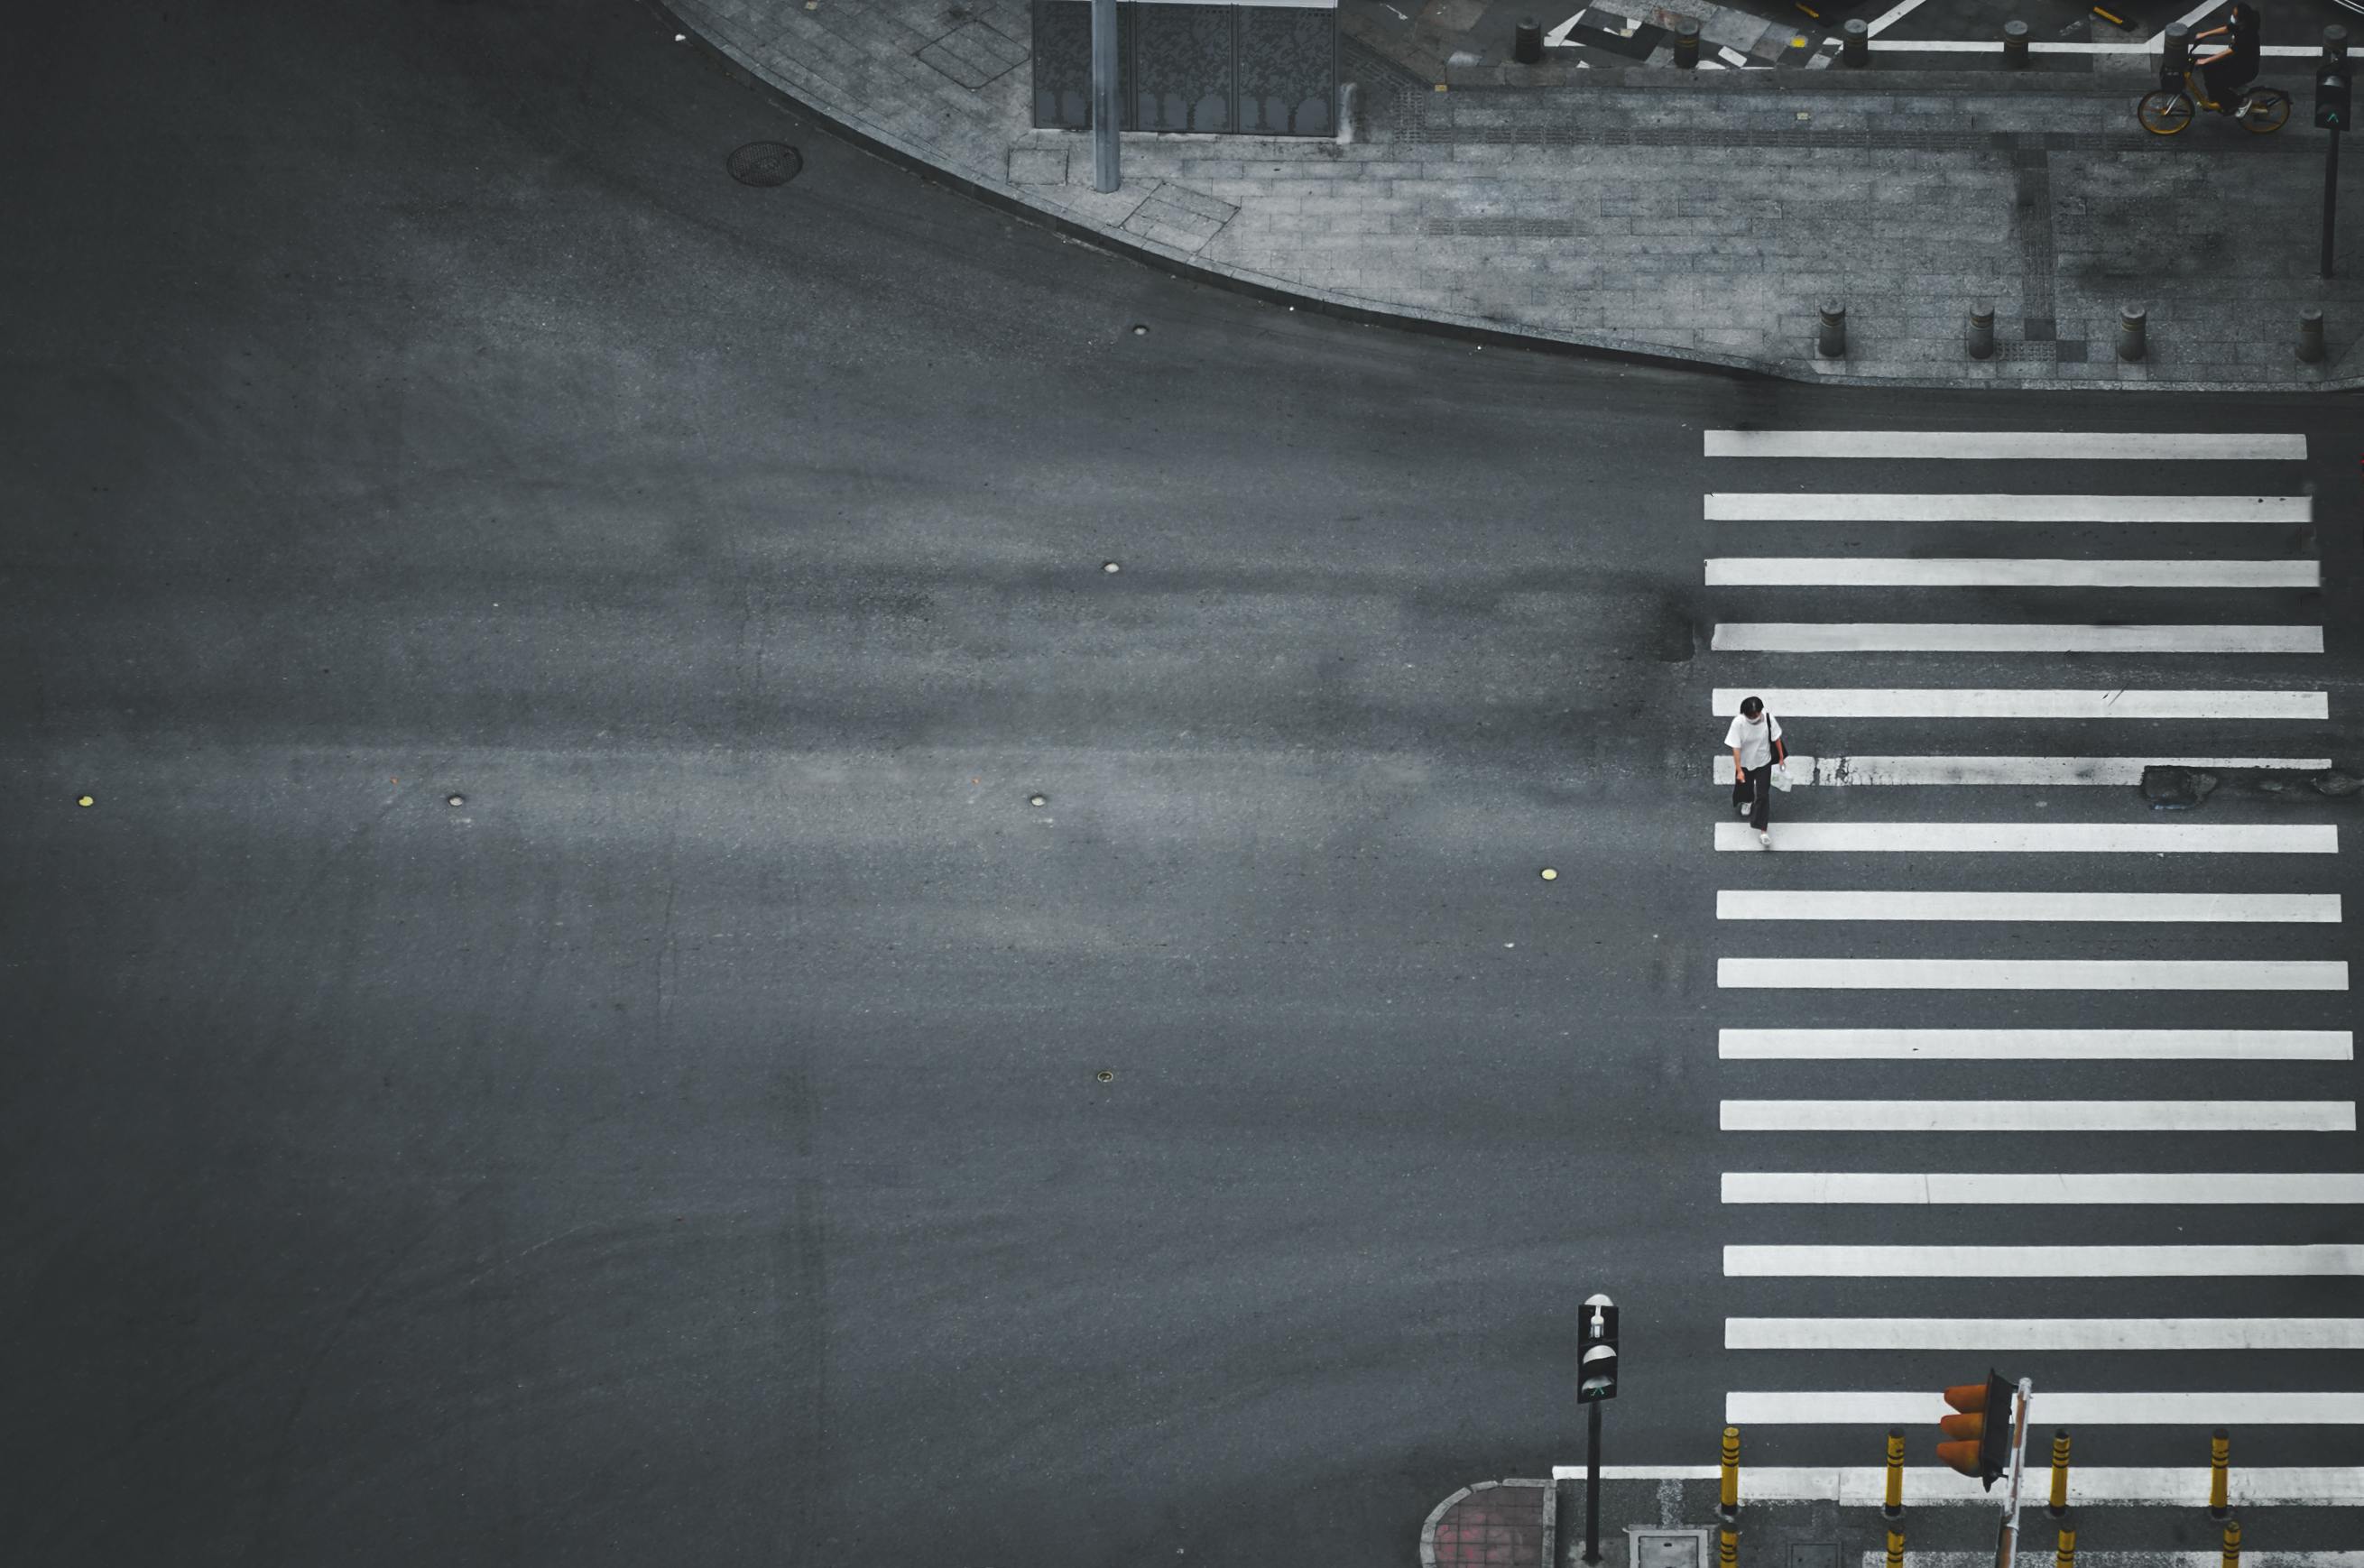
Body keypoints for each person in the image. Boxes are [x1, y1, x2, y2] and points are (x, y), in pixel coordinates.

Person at [1725, 696, 1785, 849]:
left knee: (1764, 795)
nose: (1753, 718)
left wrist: (1781, 758)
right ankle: (1747, 801)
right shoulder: (1738, 723)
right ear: (1744, 713)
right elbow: (1736, 747)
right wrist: (1739, 770)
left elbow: (1776, 738)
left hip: (1763, 761)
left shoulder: (1769, 719)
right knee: (1744, 787)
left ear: (1760, 711)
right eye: (1750, 715)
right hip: (1745, 763)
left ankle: (1763, 830)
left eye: (1755, 714)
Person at [2193, 2, 2261, 114]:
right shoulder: (2241, 24)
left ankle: (2240, 102)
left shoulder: (2248, 34)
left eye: (2235, 16)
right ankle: (2215, 99)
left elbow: (2229, 52)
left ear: (2242, 20)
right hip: (2237, 61)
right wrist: (2204, 34)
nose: (2232, 17)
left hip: (2246, 69)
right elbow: (2226, 29)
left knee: (2217, 82)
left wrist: (2206, 60)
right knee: (2208, 69)